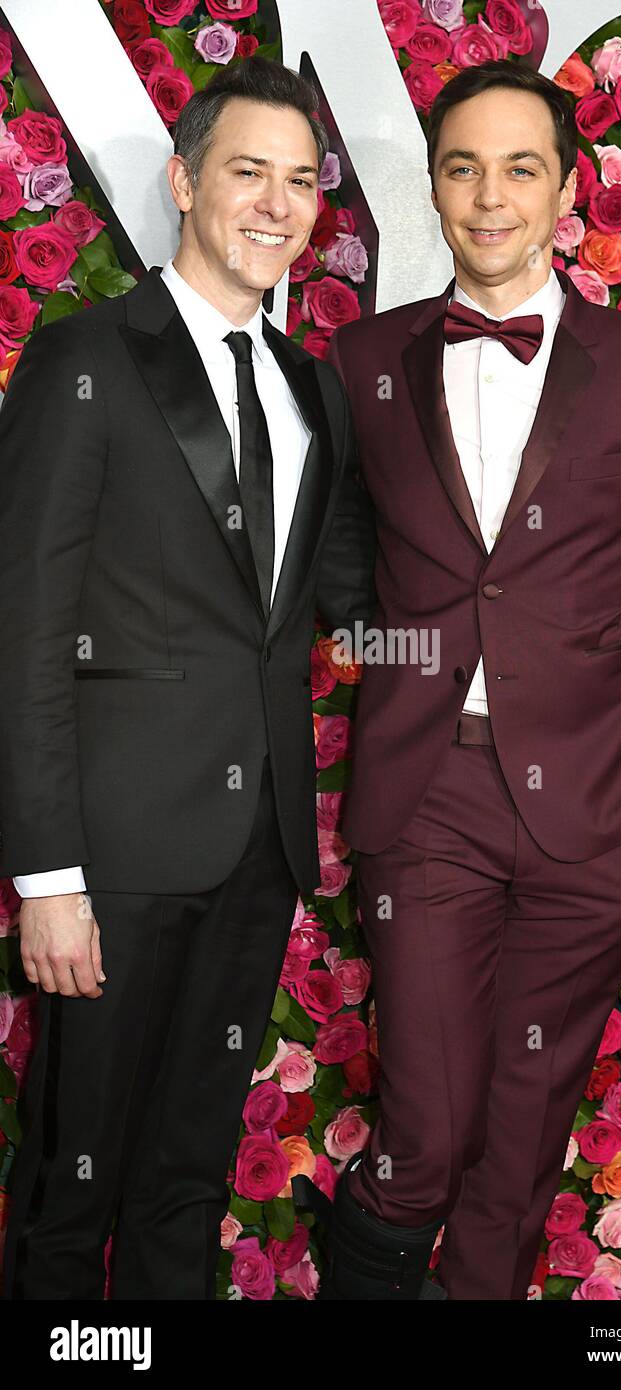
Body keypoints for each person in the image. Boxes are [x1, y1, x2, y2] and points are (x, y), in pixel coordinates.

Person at [307, 59, 621, 1300]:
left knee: (521, 1145)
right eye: (462, 166)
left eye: (520, 167)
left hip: (598, 803)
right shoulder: (364, 360)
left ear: (566, 189)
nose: (489, 197)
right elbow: (330, 567)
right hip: (429, 792)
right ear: (432, 183)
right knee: (427, 1136)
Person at [0, 55, 375, 1300]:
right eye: (246, 173)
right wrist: (50, 876)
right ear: (183, 181)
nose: (275, 204)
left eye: (298, 182)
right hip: (112, 858)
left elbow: (345, 599)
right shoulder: (83, 360)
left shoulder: (313, 388)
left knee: (190, 1175)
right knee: (73, 1184)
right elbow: (26, 625)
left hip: (258, 848)